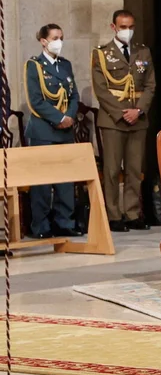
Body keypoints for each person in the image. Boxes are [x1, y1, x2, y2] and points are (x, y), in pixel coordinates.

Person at [92, 9, 156, 232]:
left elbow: (150, 85)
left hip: (138, 119)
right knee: (111, 170)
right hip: (113, 120)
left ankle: (132, 213)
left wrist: (138, 110)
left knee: (134, 169)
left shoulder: (143, 52)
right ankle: (113, 215)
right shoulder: (102, 54)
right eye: (123, 27)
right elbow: (101, 89)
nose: (127, 31)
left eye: (130, 27)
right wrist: (122, 113)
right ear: (113, 27)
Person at [23, 25, 83, 238]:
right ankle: (40, 226)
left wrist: (69, 117)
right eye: (55, 38)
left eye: (61, 37)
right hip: (43, 130)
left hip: (65, 131)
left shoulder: (65, 65)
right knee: (42, 182)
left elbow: (74, 95)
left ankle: (64, 222)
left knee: (65, 181)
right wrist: (59, 118)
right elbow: (35, 101)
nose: (59, 42)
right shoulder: (34, 66)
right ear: (43, 41)